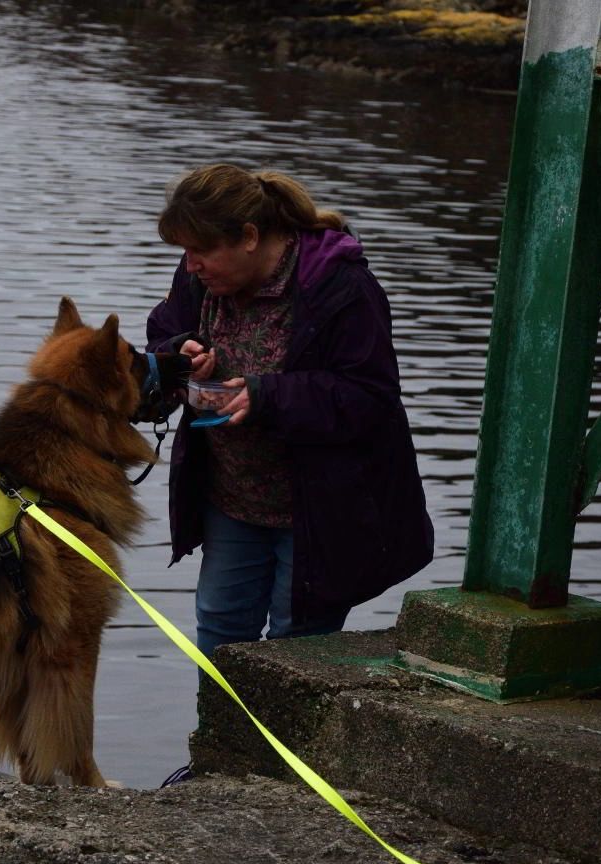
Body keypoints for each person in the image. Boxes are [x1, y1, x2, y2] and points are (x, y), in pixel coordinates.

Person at [146, 163, 434, 672]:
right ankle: (220, 726)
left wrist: (268, 397)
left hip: (317, 511)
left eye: (201, 250)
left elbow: (371, 395)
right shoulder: (198, 278)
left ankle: (281, 730)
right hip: (231, 500)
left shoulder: (341, 286)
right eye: (185, 252)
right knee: (220, 630)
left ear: (249, 237)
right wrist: (177, 354)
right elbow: (161, 336)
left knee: (295, 645)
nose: (191, 265)